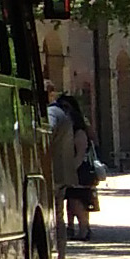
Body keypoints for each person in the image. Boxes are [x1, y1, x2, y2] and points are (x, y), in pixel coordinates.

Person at [51, 92, 95, 241]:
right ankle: (73, 228)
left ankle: (84, 229)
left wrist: (71, 170)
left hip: (79, 170)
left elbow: (80, 153)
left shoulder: (79, 131)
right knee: (71, 202)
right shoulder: (69, 129)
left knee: (77, 202)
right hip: (72, 169)